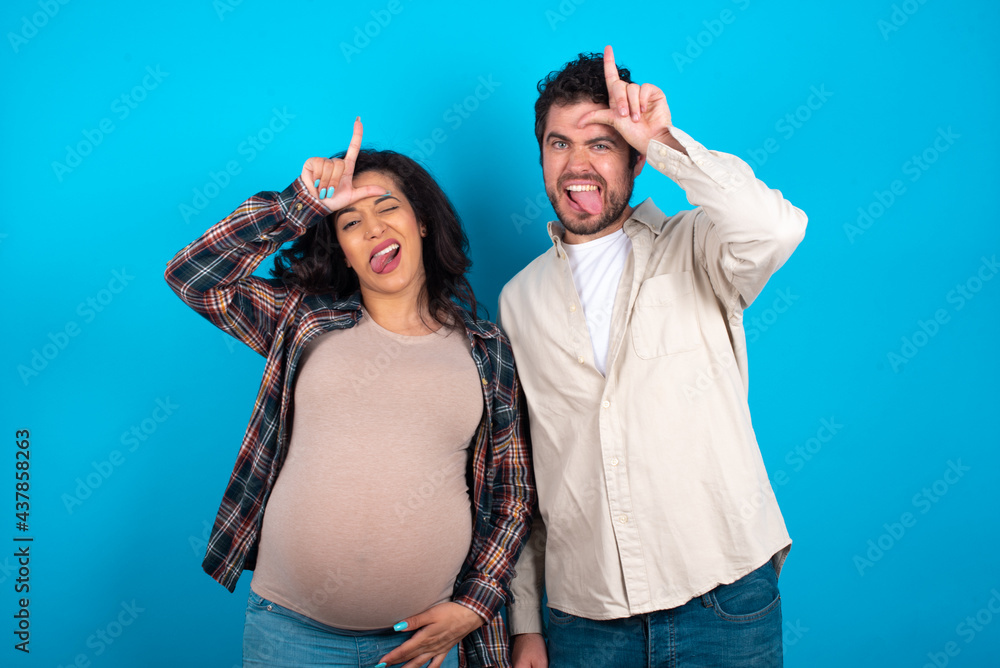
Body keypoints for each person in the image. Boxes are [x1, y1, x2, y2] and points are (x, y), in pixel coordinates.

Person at [164, 119, 535, 668]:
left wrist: (476, 605)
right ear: (340, 247)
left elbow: (512, 494)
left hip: (425, 646)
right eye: (349, 221)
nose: (373, 229)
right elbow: (193, 276)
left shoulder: (487, 350)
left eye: (387, 208)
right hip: (290, 634)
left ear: (423, 223)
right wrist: (299, 203)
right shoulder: (303, 319)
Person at [498, 47, 808, 667]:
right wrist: (526, 620)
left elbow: (776, 228)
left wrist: (662, 136)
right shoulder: (517, 300)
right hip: (587, 619)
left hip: (723, 599)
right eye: (559, 144)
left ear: (637, 160)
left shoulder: (699, 247)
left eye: (601, 144)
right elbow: (525, 472)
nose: (577, 165)